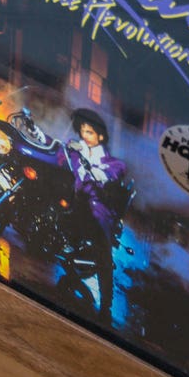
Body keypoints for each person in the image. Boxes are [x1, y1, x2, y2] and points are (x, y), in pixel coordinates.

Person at [58, 107, 129, 322]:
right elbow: (59, 159)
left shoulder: (115, 163)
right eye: (82, 131)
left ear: (100, 136)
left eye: (89, 132)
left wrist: (91, 166)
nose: (84, 136)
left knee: (103, 257)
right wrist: (67, 148)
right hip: (75, 204)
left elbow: (107, 176)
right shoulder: (76, 152)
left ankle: (105, 306)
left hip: (99, 210)